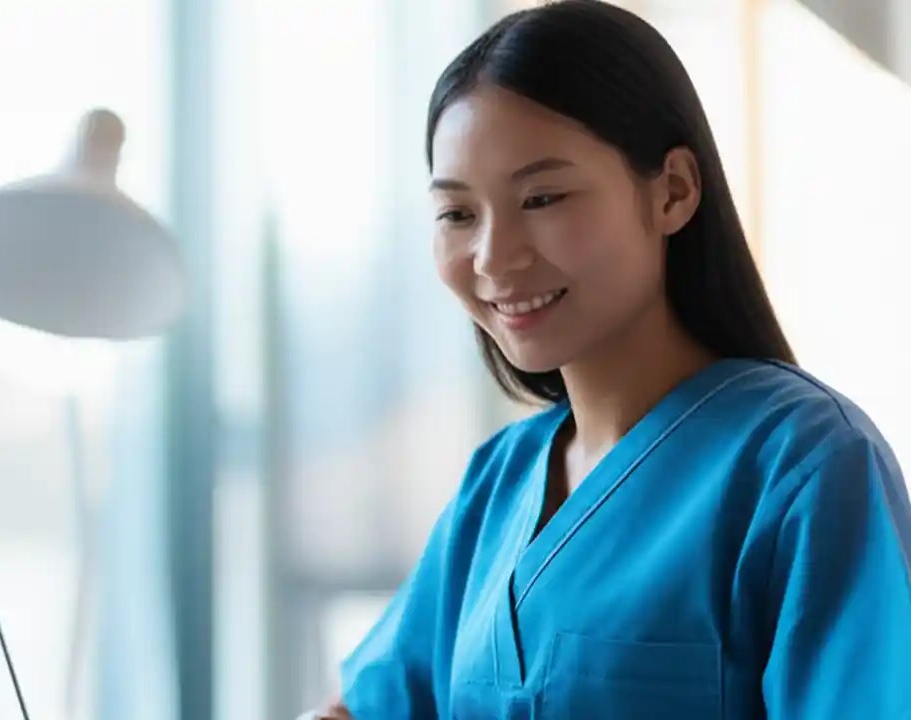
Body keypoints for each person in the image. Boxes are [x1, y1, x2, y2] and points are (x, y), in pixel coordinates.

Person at [306, 1, 911, 717]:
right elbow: (369, 703)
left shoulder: (805, 466)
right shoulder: (497, 483)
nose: (495, 256)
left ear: (674, 192)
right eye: (458, 214)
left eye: (543, 197)